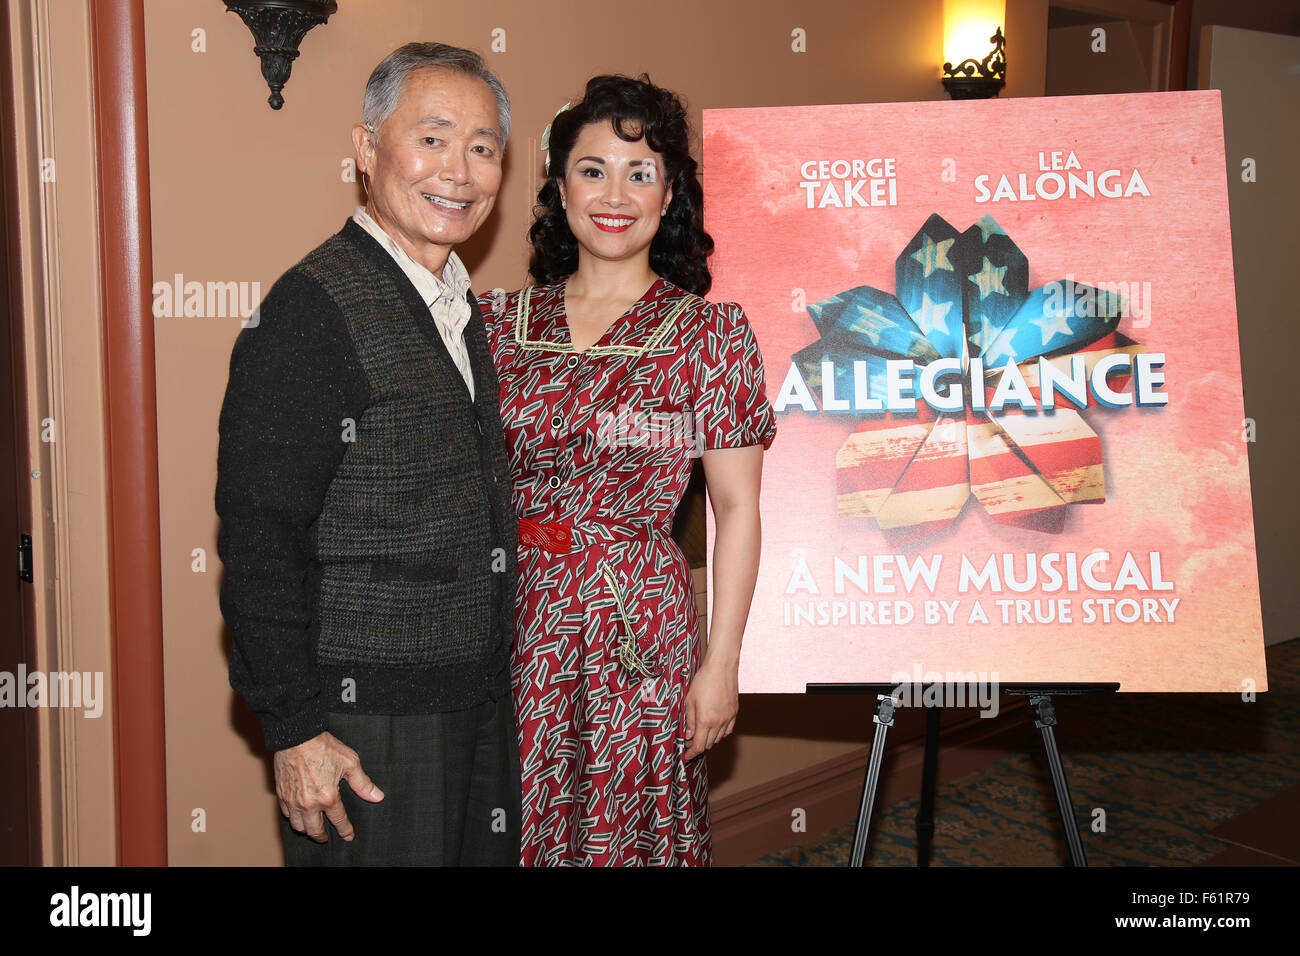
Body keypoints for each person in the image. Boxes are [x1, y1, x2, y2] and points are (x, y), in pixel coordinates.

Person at [216, 42, 521, 866]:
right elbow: (257, 535)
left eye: (484, 146)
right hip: (364, 724)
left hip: (475, 701)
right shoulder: (312, 309)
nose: (460, 170)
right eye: (432, 138)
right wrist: (296, 728)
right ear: (365, 150)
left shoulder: (459, 306)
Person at [482, 74, 775, 865]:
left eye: (640, 172)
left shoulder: (709, 337)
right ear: (559, 185)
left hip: (636, 627)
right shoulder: (495, 325)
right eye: (592, 169)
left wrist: (721, 665)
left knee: (627, 837)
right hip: (513, 619)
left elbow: (737, 509)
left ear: (669, 192)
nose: (615, 193)